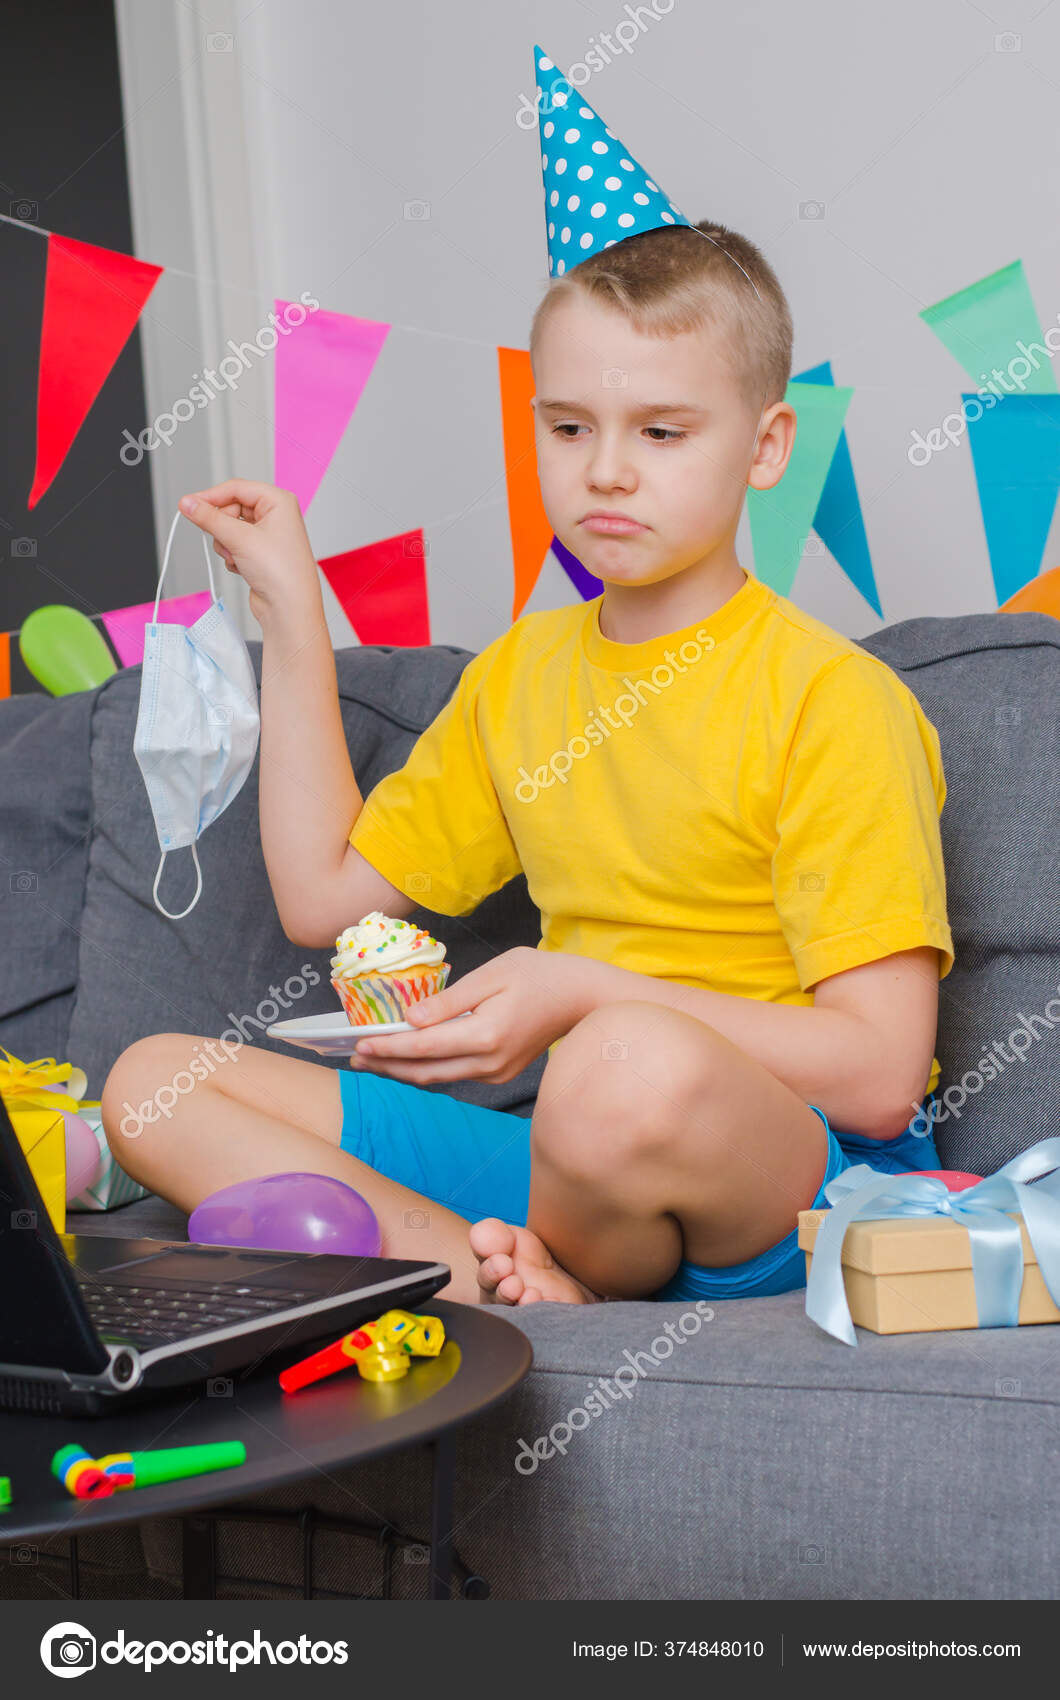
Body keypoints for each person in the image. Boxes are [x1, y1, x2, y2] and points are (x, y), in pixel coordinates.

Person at [101, 215, 954, 1311]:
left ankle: (542, 1256)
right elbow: (322, 896)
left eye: (660, 432)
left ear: (765, 445)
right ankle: (498, 1276)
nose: (605, 471)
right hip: (576, 1157)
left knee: (622, 1058)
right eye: (567, 426)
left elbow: (882, 1080)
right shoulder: (521, 675)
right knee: (153, 1082)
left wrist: (577, 995)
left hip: (791, 1179)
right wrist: (291, 609)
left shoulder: (833, 700)